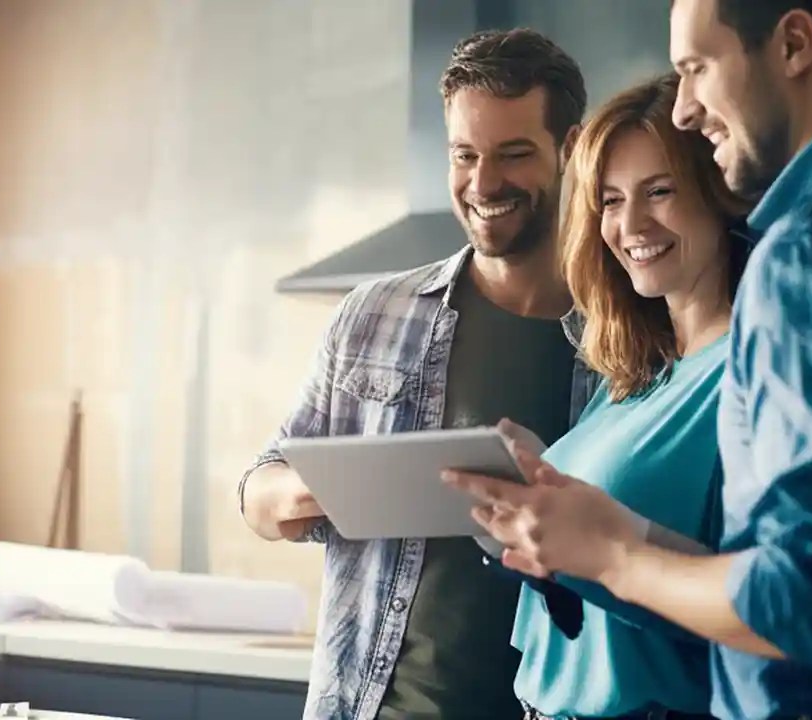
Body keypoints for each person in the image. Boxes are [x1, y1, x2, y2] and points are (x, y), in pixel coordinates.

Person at [446, 1, 812, 718]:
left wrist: (617, 554)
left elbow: (806, 603)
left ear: (795, 43)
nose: (685, 109)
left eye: (696, 69)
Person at [238, 29, 595, 719]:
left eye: (513, 155)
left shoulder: (627, 335)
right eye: (464, 156)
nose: (483, 184)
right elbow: (258, 494)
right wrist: (315, 486)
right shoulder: (373, 315)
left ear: (571, 148)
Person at [503, 73, 750, 720]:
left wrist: (607, 547)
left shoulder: (754, 370)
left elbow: (773, 606)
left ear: (720, 192)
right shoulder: (634, 372)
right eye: (610, 200)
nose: (630, 224)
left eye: (659, 191)